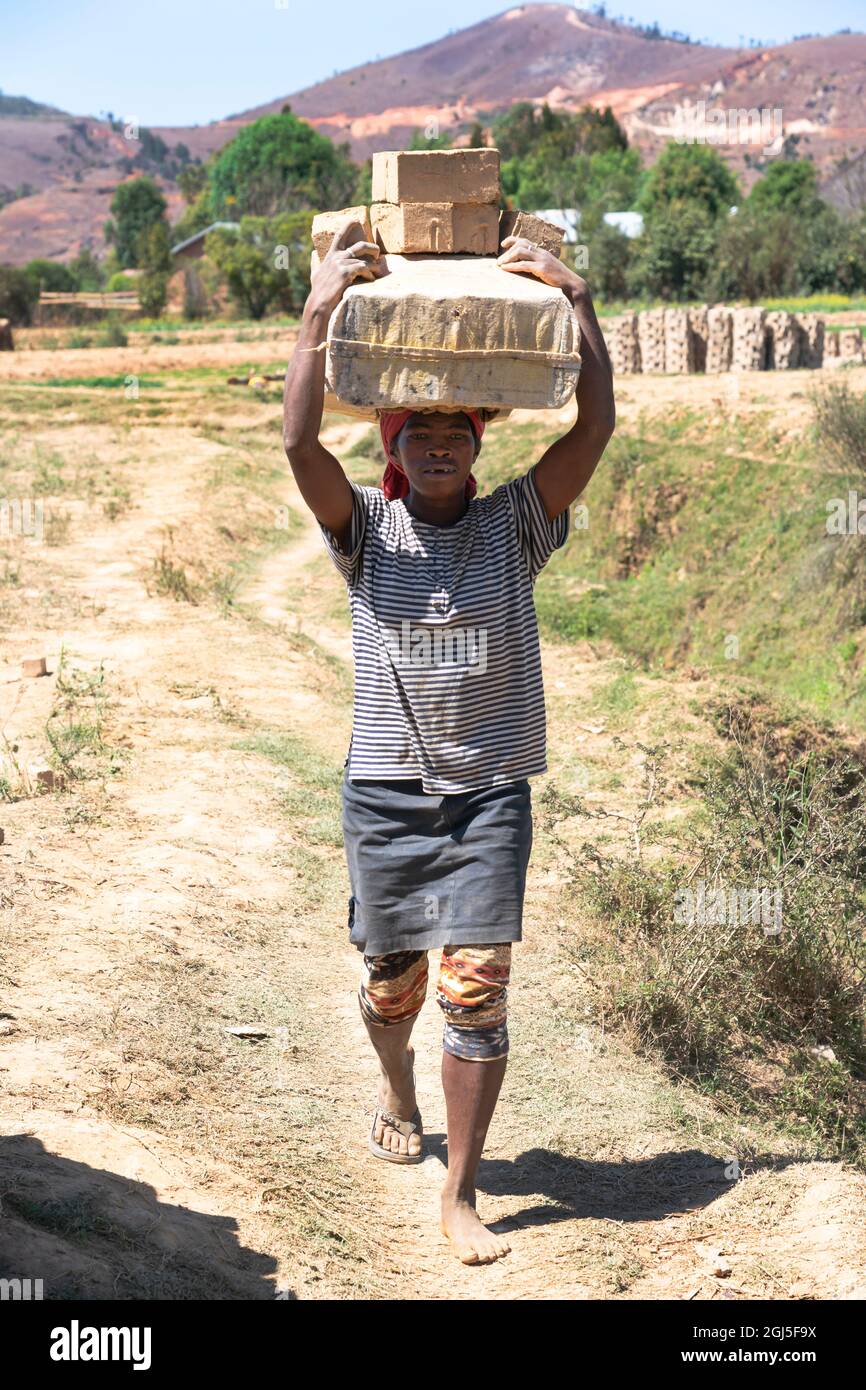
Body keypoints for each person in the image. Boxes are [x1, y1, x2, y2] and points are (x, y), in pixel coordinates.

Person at [283, 217, 615, 1265]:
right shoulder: (366, 537)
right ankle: (393, 1082)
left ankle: (459, 1192)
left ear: (478, 443)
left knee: (475, 990)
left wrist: (579, 304)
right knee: (394, 981)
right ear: (391, 450)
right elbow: (295, 445)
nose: (434, 447)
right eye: (414, 435)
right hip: (384, 793)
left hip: (486, 799)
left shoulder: (514, 524)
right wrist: (316, 312)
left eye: (453, 433)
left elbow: (592, 430)